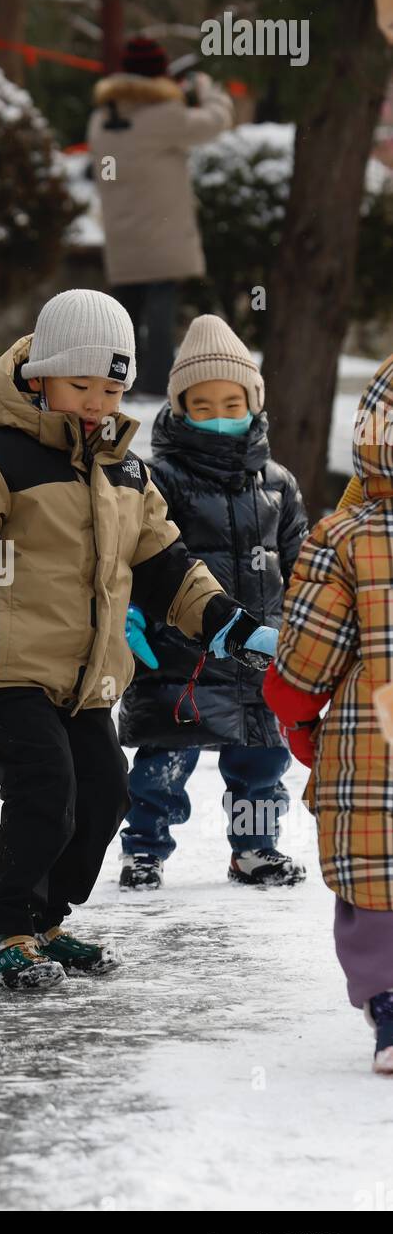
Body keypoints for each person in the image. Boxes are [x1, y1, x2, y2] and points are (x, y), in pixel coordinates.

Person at [0, 290, 277, 990]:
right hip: (0, 669)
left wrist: (228, 622)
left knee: (104, 796)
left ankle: (46, 921)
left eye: (113, 387)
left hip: (84, 675)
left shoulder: (124, 470)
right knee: (45, 787)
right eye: (81, 384)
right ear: (39, 376)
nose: (97, 401)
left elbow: (167, 566)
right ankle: (8, 931)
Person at [117, 316, 309, 889]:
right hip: (178, 653)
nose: (221, 414)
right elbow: (134, 554)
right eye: (204, 405)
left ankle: (254, 848)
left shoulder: (277, 483)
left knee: (262, 763)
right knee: (162, 764)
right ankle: (143, 849)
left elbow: (303, 566)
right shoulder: (160, 479)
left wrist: (311, 624)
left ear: (254, 403)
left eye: (233, 401)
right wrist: (129, 614)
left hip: (259, 655)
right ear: (180, 409)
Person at [263, 357, 393, 1075]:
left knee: (375, 877)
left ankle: (389, 1003)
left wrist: (292, 707)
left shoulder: (344, 536)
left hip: (371, 747)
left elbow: (308, 655)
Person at [86, 35, 233, 397]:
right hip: (163, 231)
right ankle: (157, 382)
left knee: (126, 311)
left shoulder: (102, 118)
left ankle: (121, 380)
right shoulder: (164, 116)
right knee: (161, 306)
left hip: (122, 230)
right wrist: (208, 90)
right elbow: (216, 121)